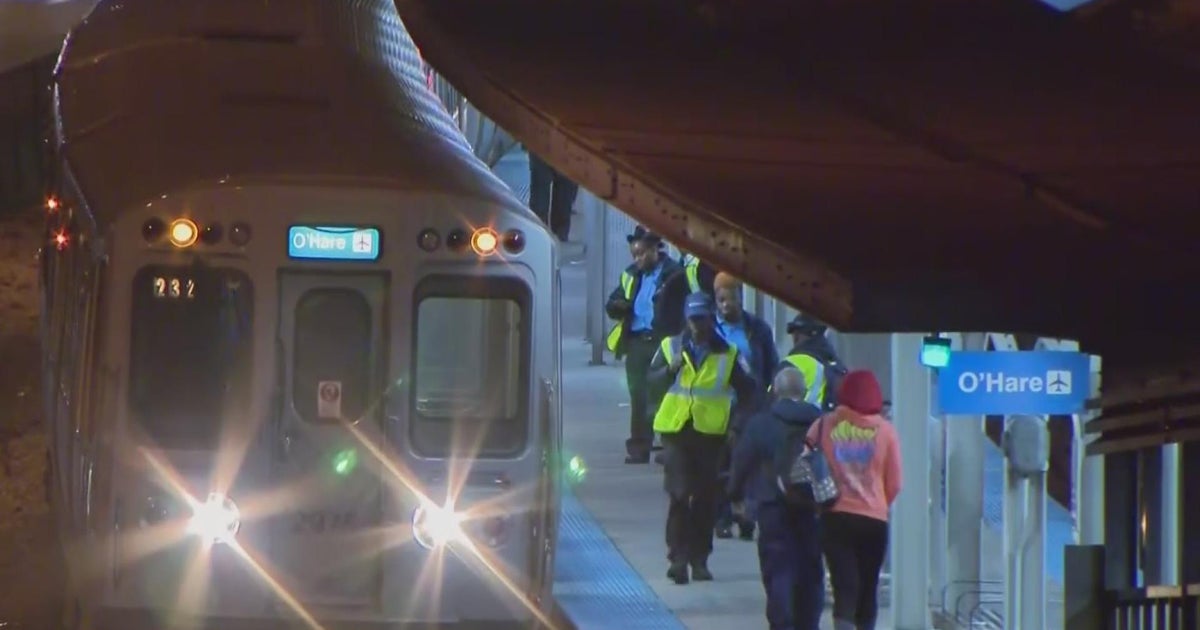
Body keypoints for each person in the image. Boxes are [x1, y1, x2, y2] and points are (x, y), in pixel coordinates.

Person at [649, 292, 758, 584]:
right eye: (693, 319)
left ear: (712, 319)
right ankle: (678, 559)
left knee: (706, 500)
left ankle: (700, 560)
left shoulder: (729, 353)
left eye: (702, 319)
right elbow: (649, 381)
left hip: (711, 434)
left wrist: (736, 427)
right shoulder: (671, 346)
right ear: (686, 319)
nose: (697, 326)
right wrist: (668, 370)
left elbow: (750, 393)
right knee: (679, 494)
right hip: (676, 430)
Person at [727, 367, 825, 630]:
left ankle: (782, 623)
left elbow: (742, 462)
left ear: (776, 392)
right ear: (803, 392)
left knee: (778, 568)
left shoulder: (762, 423)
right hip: (813, 507)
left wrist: (734, 496)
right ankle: (808, 623)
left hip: (773, 506)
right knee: (810, 568)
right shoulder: (821, 422)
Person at [809, 370, 902, 630]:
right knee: (868, 586)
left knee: (844, 586)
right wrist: (879, 503)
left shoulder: (824, 425)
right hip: (874, 521)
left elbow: (804, 462)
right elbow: (895, 482)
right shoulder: (886, 432)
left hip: (834, 516)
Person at [605, 226, 687, 464]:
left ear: (654, 249)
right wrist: (622, 306)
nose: (638, 259)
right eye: (635, 255)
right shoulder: (632, 274)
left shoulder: (674, 273)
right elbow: (612, 303)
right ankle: (640, 446)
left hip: (663, 340)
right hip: (638, 341)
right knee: (638, 394)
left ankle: (667, 444)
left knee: (663, 393)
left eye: (642, 254)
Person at [711, 271, 778, 540]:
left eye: (732, 298)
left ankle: (748, 515)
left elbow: (771, 366)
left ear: (741, 297)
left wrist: (768, 398)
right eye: (721, 299)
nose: (727, 304)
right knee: (721, 463)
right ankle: (723, 517)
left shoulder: (758, 330)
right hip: (718, 405)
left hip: (751, 406)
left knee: (749, 463)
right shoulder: (709, 330)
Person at [777, 313, 847, 411]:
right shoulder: (838, 366)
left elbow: (771, 401)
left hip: (799, 424)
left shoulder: (793, 364)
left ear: (796, 336)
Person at [528, 151, 578, 242]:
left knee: (540, 199)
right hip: (568, 149)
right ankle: (558, 238)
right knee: (563, 200)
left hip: (542, 147)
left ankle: (539, 237)